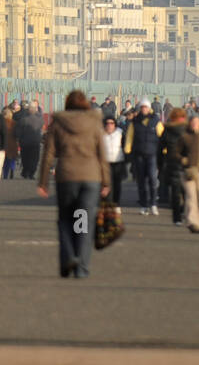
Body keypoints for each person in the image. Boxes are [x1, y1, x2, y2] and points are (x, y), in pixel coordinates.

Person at [37, 90, 111, 278]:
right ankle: (81, 267)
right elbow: (102, 153)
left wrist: (43, 181)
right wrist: (106, 180)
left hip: (67, 176)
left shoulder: (59, 123)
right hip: (90, 177)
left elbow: (48, 154)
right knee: (84, 221)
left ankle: (69, 256)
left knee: (65, 220)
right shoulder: (94, 123)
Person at [123, 99, 163, 216]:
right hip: (139, 153)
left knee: (152, 179)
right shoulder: (135, 121)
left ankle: (153, 204)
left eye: (146, 107)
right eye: (142, 107)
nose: (144, 109)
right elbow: (130, 136)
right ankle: (144, 205)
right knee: (141, 181)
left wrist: (164, 150)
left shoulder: (156, 121)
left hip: (152, 154)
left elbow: (161, 135)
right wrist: (127, 149)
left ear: (149, 108)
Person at [176, 114, 199, 233]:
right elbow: (176, 153)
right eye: (193, 121)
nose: (195, 123)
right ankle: (192, 222)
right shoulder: (184, 137)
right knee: (191, 197)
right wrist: (183, 160)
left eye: (197, 122)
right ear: (189, 123)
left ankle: (198, 222)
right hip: (187, 172)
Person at [158, 108, 189, 225]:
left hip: (172, 162)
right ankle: (186, 212)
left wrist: (160, 164)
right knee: (187, 191)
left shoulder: (167, 130)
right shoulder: (188, 129)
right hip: (187, 163)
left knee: (175, 192)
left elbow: (159, 149)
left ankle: (177, 218)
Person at [15, 101, 44, 181]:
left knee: (25, 158)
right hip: (35, 142)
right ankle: (31, 173)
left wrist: (18, 138)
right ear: (35, 109)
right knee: (34, 158)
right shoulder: (40, 119)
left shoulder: (23, 119)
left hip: (24, 142)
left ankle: (26, 172)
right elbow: (41, 127)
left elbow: (18, 131)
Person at [101, 116, 126, 208]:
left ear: (115, 124)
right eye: (107, 123)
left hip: (118, 162)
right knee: (107, 184)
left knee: (117, 184)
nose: (109, 125)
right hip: (105, 163)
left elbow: (125, 146)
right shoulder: (101, 134)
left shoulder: (120, 133)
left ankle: (116, 203)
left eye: (112, 123)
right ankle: (108, 203)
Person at [3, 105, 19, 180]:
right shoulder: (14, 123)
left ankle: (5, 175)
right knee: (12, 159)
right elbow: (17, 134)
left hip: (4, 144)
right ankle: (12, 169)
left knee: (5, 161)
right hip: (13, 144)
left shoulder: (2, 123)